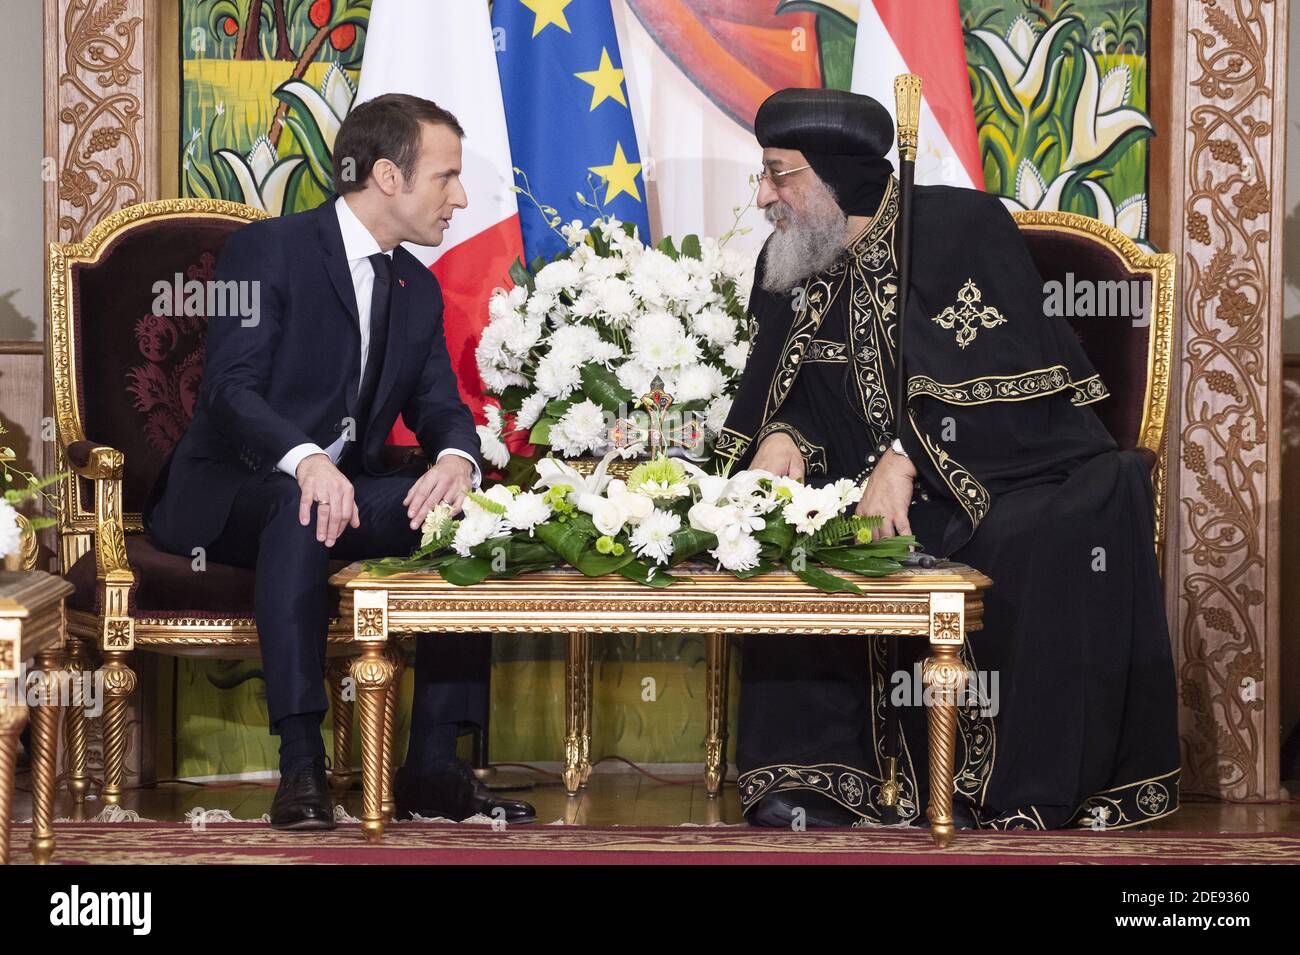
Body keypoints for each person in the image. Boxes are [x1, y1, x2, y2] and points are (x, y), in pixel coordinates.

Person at [717, 88, 1181, 830]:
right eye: (764, 173)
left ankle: (988, 786)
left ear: (838, 174)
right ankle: (818, 776)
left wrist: (909, 454)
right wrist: (783, 436)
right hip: (851, 483)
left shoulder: (962, 226)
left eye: (780, 173)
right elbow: (797, 387)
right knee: (787, 533)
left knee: (1036, 539)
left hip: (1006, 467)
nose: (764, 194)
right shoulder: (792, 256)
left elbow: (1018, 371)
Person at [145, 93, 534, 829]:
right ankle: (302, 766)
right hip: (230, 492)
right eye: (446, 177)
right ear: (388, 176)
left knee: (469, 523)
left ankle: (433, 767)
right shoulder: (271, 250)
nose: (460, 197)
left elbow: (441, 406)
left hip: (346, 491)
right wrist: (303, 460)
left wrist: (455, 459)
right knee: (305, 508)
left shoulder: (415, 286)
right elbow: (230, 391)